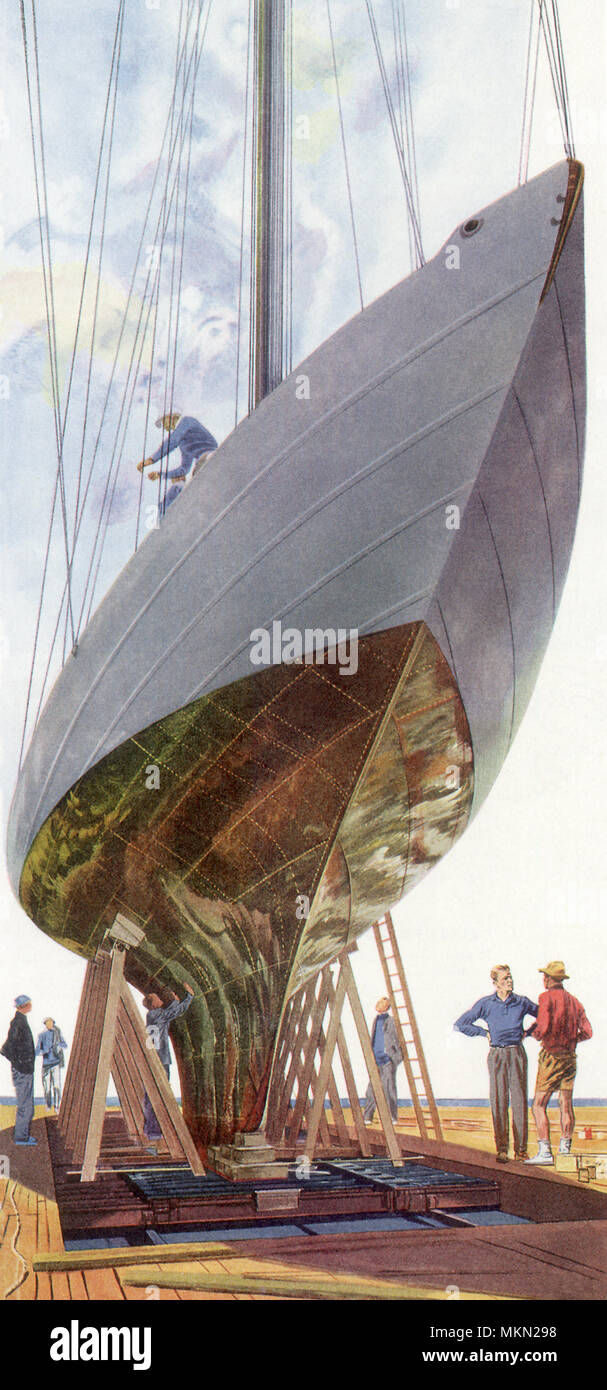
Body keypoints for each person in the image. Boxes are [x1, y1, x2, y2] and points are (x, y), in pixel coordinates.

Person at [454, 966, 538, 1162]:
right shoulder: (486, 1003)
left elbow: (543, 1016)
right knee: (499, 1102)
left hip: (517, 1053)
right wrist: (484, 1033)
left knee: (519, 1102)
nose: (510, 981)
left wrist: (530, 1031)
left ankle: (521, 1150)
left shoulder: (522, 1001)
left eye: (511, 977)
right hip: (497, 1054)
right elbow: (460, 1024)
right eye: (505, 978)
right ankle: (502, 1149)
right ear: (495, 982)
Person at [525, 960, 592, 1166]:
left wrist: (533, 1034)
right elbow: (588, 1032)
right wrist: (572, 1040)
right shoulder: (575, 1001)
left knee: (538, 1105)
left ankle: (545, 1152)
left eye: (545, 976)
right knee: (565, 1105)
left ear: (549, 979)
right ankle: (565, 1151)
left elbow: (543, 1027)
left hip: (551, 1057)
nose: (543, 979)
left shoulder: (546, 997)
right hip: (570, 1058)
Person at [142, 982, 195, 1146]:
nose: (160, 999)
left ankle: (151, 1129)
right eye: (158, 999)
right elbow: (175, 1012)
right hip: (161, 1060)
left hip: (153, 1059)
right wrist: (189, 997)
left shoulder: (153, 1016)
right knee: (159, 1094)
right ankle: (156, 1131)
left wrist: (174, 1001)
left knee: (151, 1094)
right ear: (154, 1004)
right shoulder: (157, 1015)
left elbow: (168, 1011)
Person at [137, 411, 218, 516]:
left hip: (210, 456)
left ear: (171, 417)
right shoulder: (184, 443)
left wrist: (152, 459)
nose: (165, 428)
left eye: (163, 422)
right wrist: (160, 475)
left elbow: (172, 441)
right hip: (201, 464)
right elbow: (184, 469)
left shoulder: (187, 421)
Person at [0, 995, 37, 1146]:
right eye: (29, 1004)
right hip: (23, 1070)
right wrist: (21, 1062)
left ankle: (23, 1135)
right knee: (25, 1105)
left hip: (25, 1069)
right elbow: (6, 1049)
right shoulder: (18, 1022)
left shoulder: (21, 1020)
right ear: (25, 1006)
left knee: (27, 1104)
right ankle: (21, 1137)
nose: (31, 1006)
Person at [363, 998, 402, 1124]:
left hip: (387, 1060)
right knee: (371, 1090)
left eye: (381, 1003)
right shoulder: (376, 1019)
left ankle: (392, 1117)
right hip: (375, 1060)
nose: (377, 1004)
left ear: (386, 1007)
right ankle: (368, 1117)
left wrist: (394, 1059)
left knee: (389, 1089)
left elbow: (396, 1040)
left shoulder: (390, 1021)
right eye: (378, 1002)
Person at [35, 1017, 68, 1111]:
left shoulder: (57, 1033)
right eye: (48, 1023)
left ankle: (57, 1106)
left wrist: (59, 1046)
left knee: (57, 1086)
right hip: (45, 1065)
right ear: (45, 1024)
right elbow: (36, 1052)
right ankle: (49, 1105)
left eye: (52, 1023)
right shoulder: (41, 1035)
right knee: (47, 1088)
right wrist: (44, 1051)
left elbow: (65, 1045)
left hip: (56, 1064)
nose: (50, 1024)